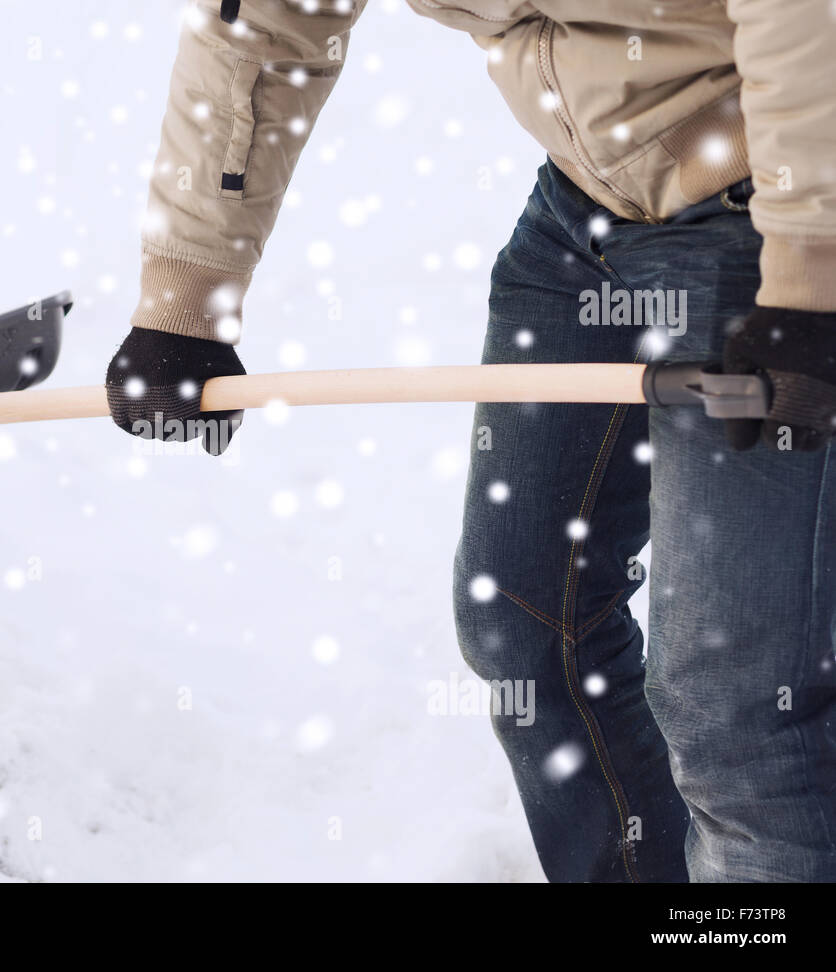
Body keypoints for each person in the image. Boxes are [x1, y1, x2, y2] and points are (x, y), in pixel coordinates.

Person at [104, 1, 836, 882]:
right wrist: (187, 292)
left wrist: (811, 274)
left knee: (737, 708)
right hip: (585, 208)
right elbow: (266, 18)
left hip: (774, 197)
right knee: (526, 622)